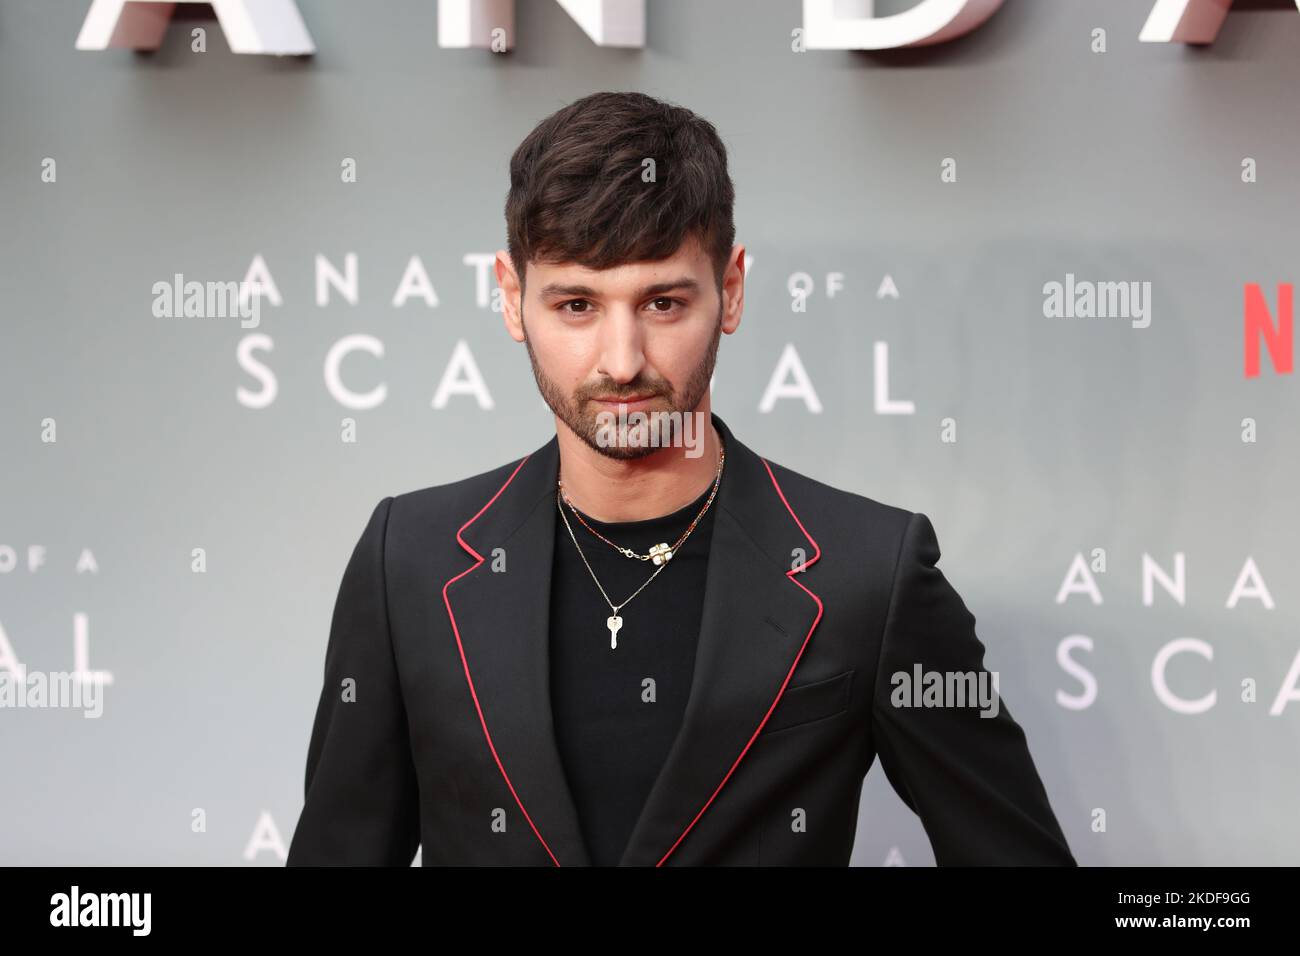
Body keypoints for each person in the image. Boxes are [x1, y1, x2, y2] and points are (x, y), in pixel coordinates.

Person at [286, 91, 1074, 867]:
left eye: (662, 302)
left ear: (729, 291)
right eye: (576, 305)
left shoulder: (870, 572)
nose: (622, 360)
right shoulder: (410, 563)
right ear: (511, 298)